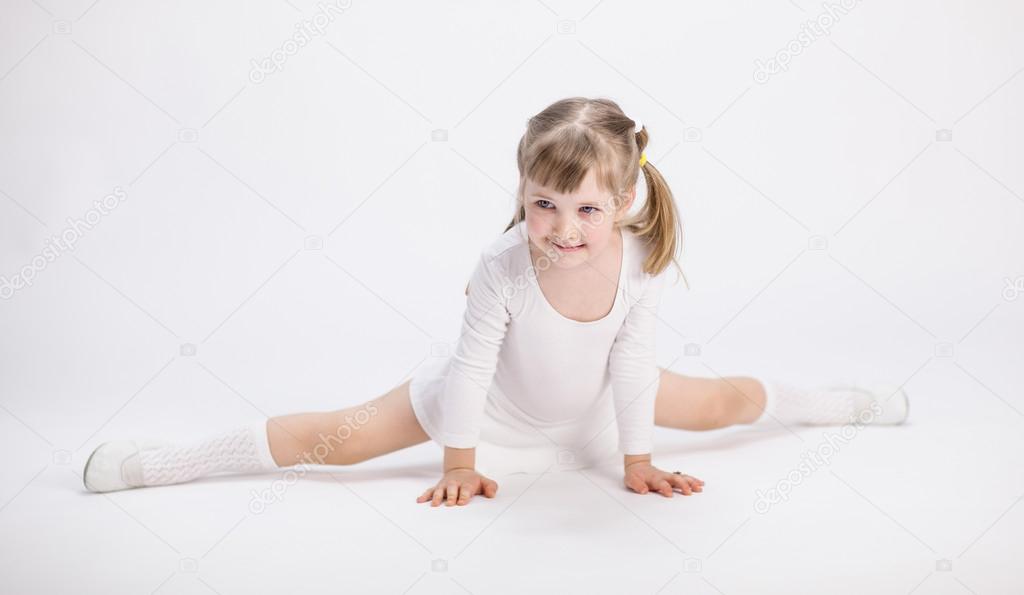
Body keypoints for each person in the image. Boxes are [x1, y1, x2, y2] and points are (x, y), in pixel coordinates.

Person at [83, 97, 908, 506]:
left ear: (622, 200)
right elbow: (472, 365)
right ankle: (160, 463)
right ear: (523, 187)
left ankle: (847, 401)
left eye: (586, 208)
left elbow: (631, 361)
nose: (561, 227)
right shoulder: (504, 264)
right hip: (481, 408)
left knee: (725, 398)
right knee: (333, 438)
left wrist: (636, 458)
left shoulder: (642, 260)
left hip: (595, 411)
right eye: (544, 202)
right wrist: (458, 462)